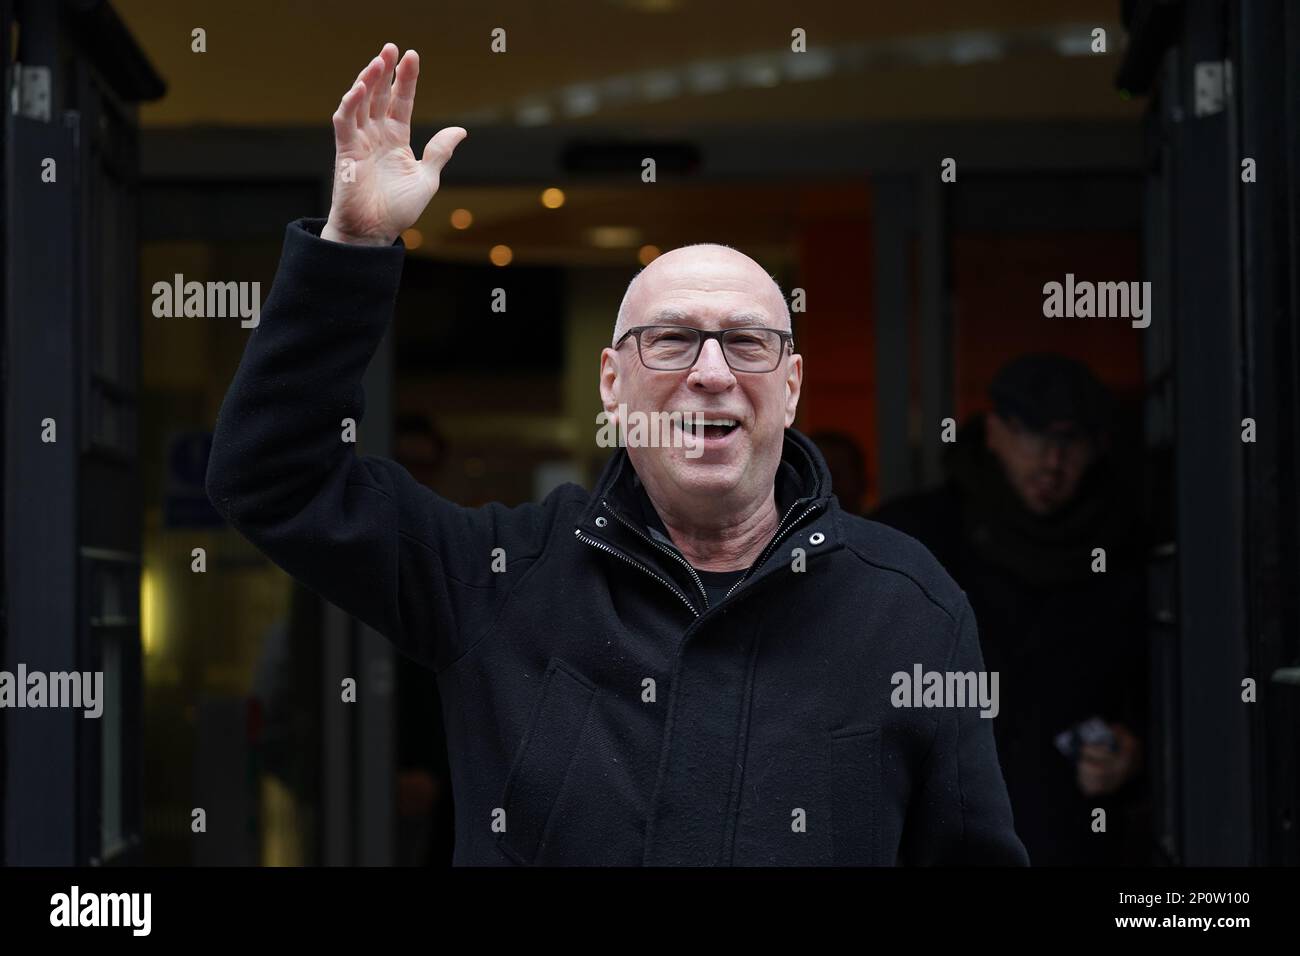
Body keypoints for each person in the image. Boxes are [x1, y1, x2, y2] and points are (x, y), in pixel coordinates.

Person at [206, 42, 1027, 866]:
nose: (712, 375)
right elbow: (274, 477)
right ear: (611, 384)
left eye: (746, 344)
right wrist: (351, 245)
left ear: (791, 386)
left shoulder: (911, 606)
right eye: (671, 342)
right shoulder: (498, 577)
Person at [873, 354, 1149, 865]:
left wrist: (1135, 755)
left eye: (1072, 441)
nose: (1051, 460)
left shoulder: (1127, 548)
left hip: (1072, 831)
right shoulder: (916, 539)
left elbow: (1158, 688)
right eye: (1034, 435)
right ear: (996, 433)